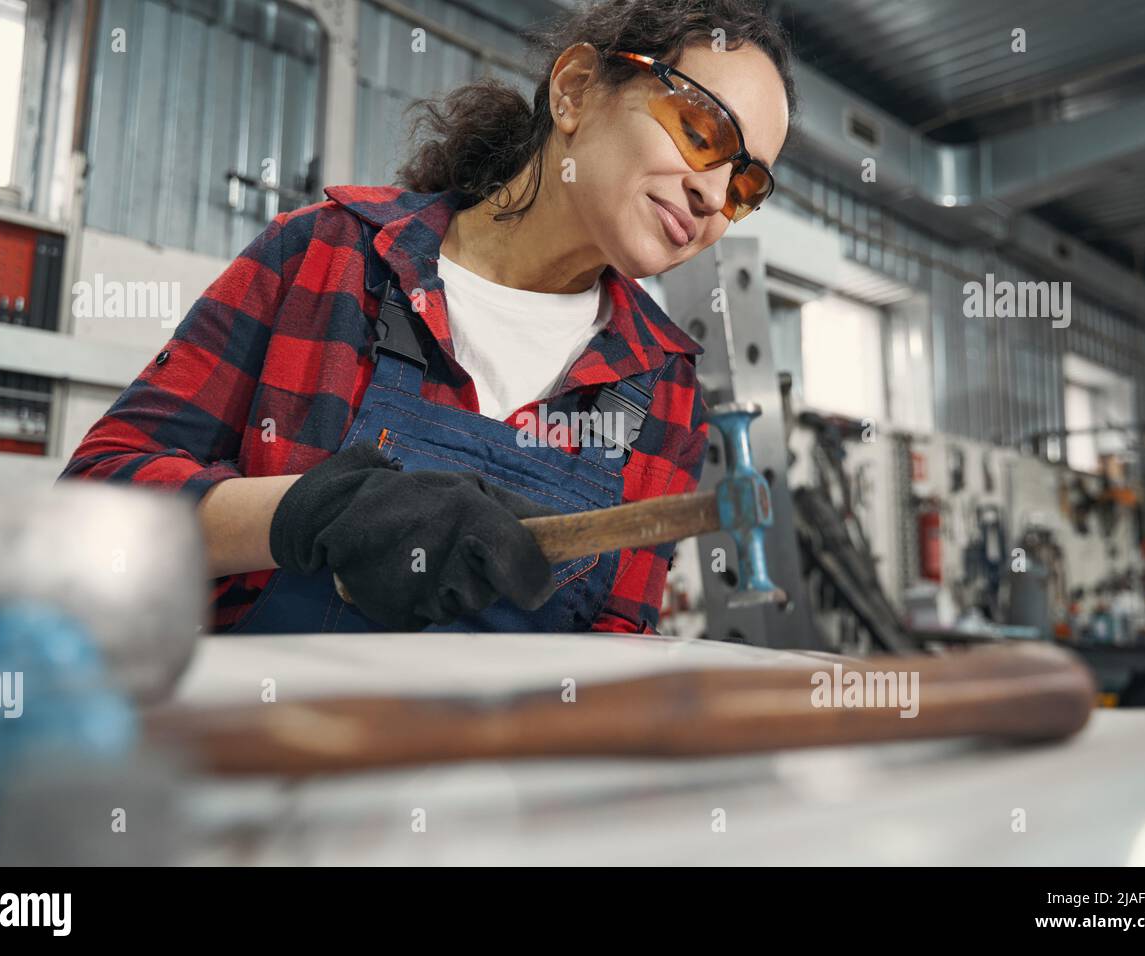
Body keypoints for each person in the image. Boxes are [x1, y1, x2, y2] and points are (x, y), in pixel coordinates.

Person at [59, 0, 795, 634]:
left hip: (507, 788)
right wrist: (307, 513)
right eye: (701, 131)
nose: (711, 193)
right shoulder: (327, 256)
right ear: (574, 90)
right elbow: (92, 511)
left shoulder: (663, 386)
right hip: (268, 763)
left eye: (745, 184)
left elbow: (612, 645)